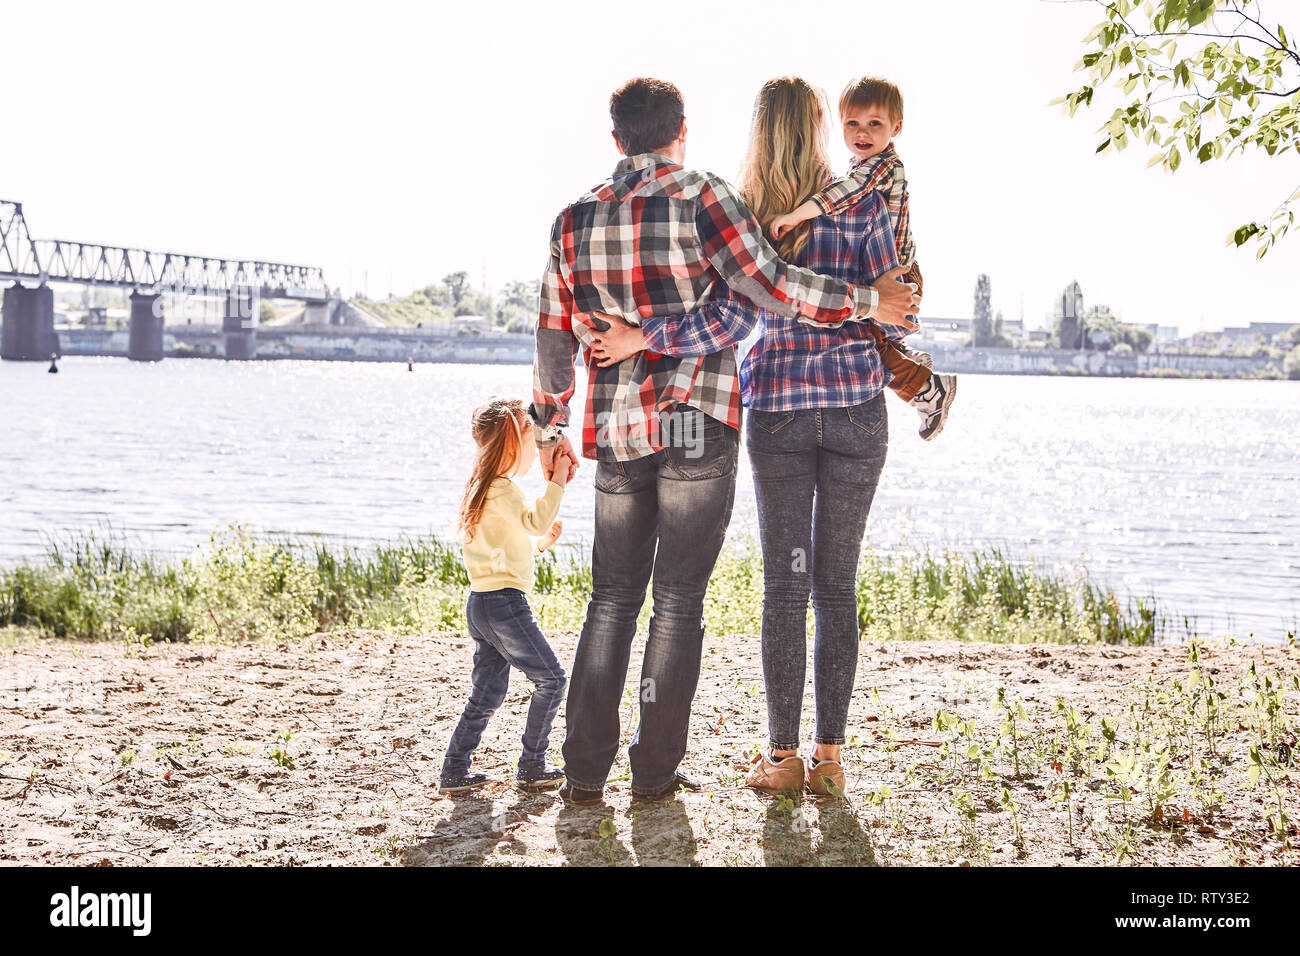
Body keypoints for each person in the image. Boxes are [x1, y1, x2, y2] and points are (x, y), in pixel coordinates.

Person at [529, 77, 920, 807]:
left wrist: (550, 425)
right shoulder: (707, 199)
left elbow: (553, 334)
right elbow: (764, 292)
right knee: (677, 600)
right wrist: (870, 302)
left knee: (611, 598)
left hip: (621, 426)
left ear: (617, 141)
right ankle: (653, 773)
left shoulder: (572, 221)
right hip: (698, 420)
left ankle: (583, 770)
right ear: (682, 129)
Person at [769, 75, 956, 439]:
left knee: (869, 338)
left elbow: (847, 193)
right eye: (852, 123)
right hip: (887, 271)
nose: (862, 132)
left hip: (899, 275)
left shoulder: (883, 166)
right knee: (873, 336)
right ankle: (916, 368)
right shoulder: (861, 165)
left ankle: (928, 389)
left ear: (895, 128)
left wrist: (796, 215)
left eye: (875, 124)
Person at [439, 397, 572, 794]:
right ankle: (532, 765)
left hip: (480, 602)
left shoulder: (480, 488)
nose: (534, 445)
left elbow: (505, 543)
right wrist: (558, 480)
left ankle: (454, 771)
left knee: (487, 693)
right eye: (529, 437)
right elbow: (535, 519)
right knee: (552, 679)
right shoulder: (503, 488)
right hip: (505, 605)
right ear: (510, 443)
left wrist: (540, 546)